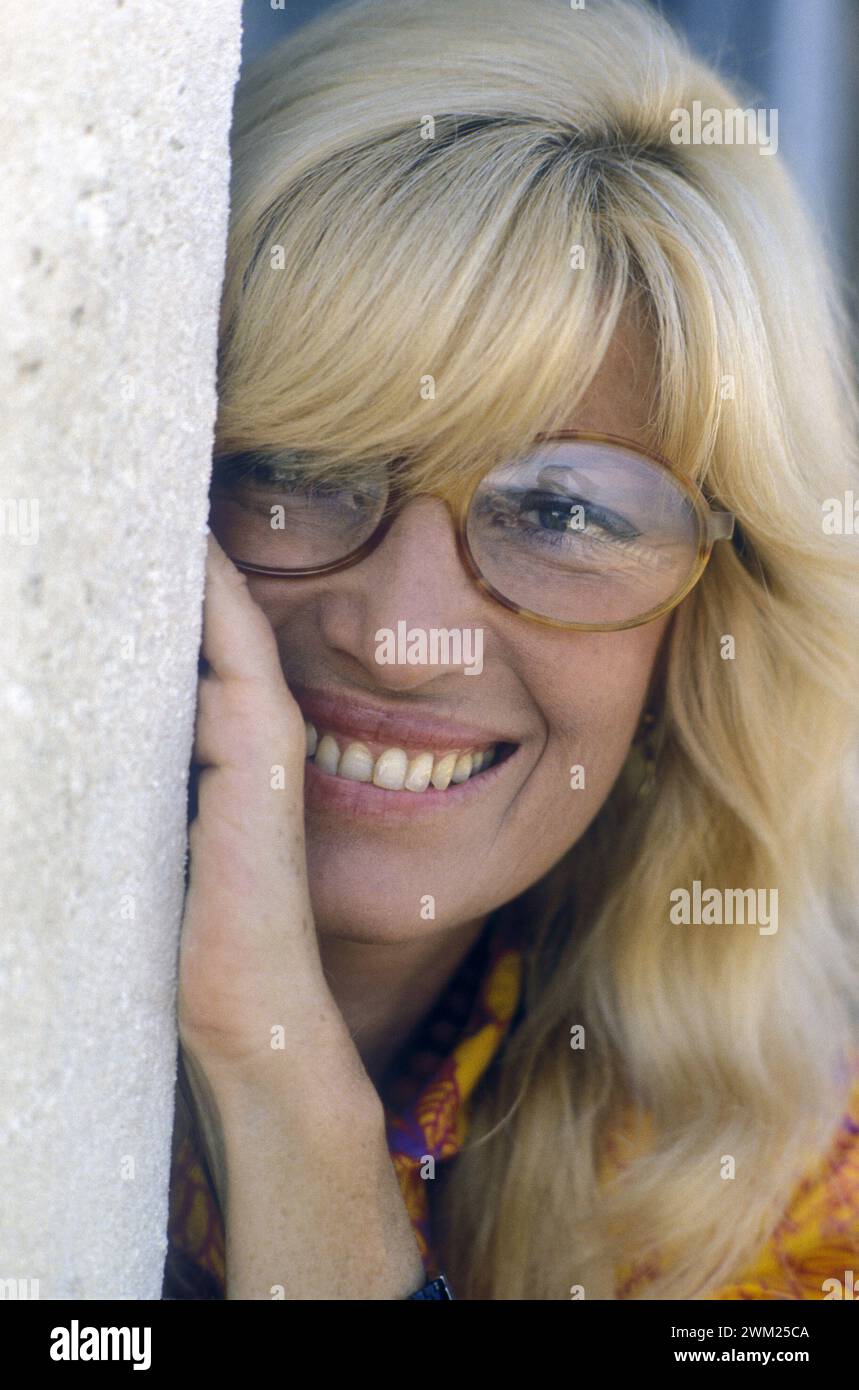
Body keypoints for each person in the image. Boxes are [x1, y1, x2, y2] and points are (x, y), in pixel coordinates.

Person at [162, 0, 859, 1300]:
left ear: (704, 631)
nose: (398, 635)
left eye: (565, 510)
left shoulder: (790, 1207)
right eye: (305, 468)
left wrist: (290, 1101)